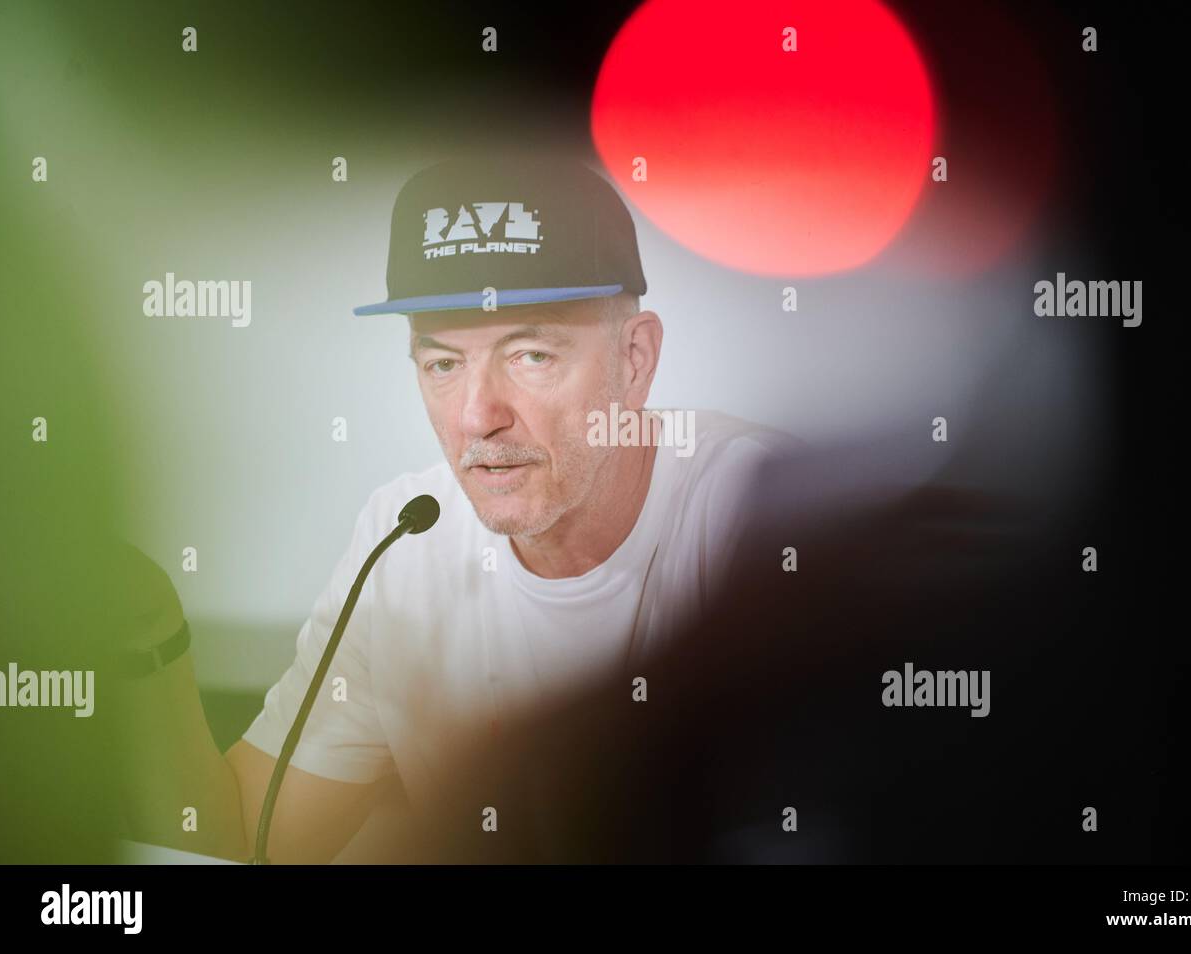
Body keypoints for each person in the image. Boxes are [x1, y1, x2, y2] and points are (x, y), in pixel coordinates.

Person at [116, 154, 801, 863]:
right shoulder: (404, 539)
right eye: (443, 363)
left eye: (530, 355)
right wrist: (150, 637)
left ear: (634, 360)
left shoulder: (760, 522)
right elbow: (240, 840)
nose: (478, 417)